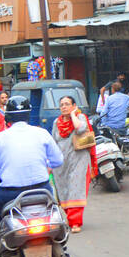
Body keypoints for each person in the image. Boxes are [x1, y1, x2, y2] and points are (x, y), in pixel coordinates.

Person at [0, 96, 64, 233]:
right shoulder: (42, 133)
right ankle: (61, 244)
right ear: (28, 113)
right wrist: (46, 165)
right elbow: (58, 160)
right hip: (43, 190)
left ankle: (3, 233)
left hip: (11, 193)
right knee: (55, 211)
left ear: (8, 117)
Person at [52, 95, 95, 233]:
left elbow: (80, 129)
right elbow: (53, 142)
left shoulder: (79, 118)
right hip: (61, 164)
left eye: (67, 104)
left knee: (75, 189)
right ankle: (69, 218)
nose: (64, 107)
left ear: (73, 105)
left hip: (78, 160)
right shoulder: (56, 123)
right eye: (61, 105)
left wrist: (72, 114)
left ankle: (75, 223)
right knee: (63, 190)